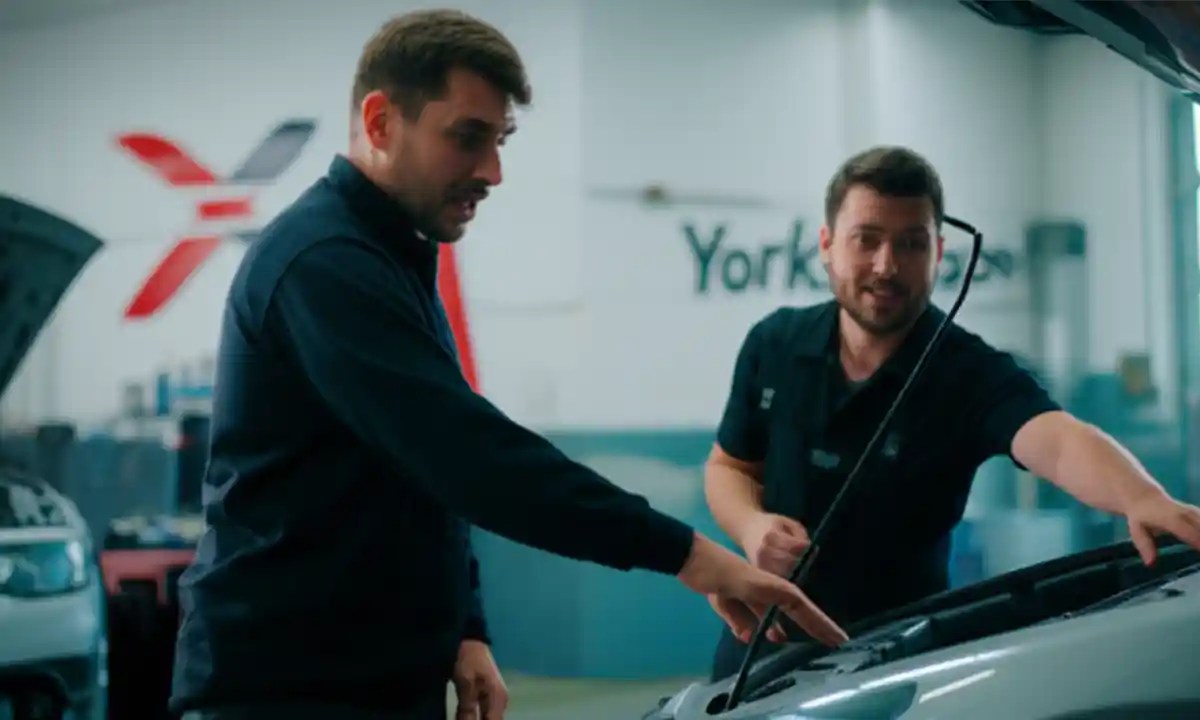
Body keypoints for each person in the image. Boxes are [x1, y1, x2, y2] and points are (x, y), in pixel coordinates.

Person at [168, 9, 847, 720]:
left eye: (500, 141)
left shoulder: (393, 257)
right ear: (379, 123)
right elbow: (466, 455)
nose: (493, 171)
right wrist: (686, 552)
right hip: (280, 692)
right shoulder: (321, 265)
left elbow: (422, 472)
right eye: (467, 138)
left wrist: (465, 626)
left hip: (372, 681)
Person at [703, 145, 1200, 681]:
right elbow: (729, 469)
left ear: (939, 252)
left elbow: (1057, 441)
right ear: (827, 245)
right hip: (757, 656)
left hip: (890, 667)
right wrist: (752, 528)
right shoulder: (773, 344)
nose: (886, 266)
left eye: (911, 244)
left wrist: (1141, 497)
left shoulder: (966, 373)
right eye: (866, 240)